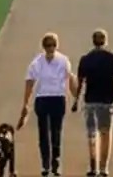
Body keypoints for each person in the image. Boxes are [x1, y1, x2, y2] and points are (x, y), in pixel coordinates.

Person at [18, 32, 77, 176]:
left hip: (58, 98)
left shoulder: (63, 61)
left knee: (56, 132)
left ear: (57, 46)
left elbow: (69, 79)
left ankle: (55, 162)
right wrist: (26, 103)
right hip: (43, 98)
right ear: (43, 47)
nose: (51, 48)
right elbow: (29, 83)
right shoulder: (36, 63)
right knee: (43, 133)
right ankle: (45, 164)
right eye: (48, 46)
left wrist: (76, 96)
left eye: (53, 45)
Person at [72, 29, 113, 177]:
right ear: (105, 41)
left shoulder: (86, 59)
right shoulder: (112, 58)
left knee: (92, 135)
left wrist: (76, 100)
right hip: (106, 102)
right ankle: (103, 168)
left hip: (90, 102)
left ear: (93, 41)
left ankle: (93, 166)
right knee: (105, 134)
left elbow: (80, 82)